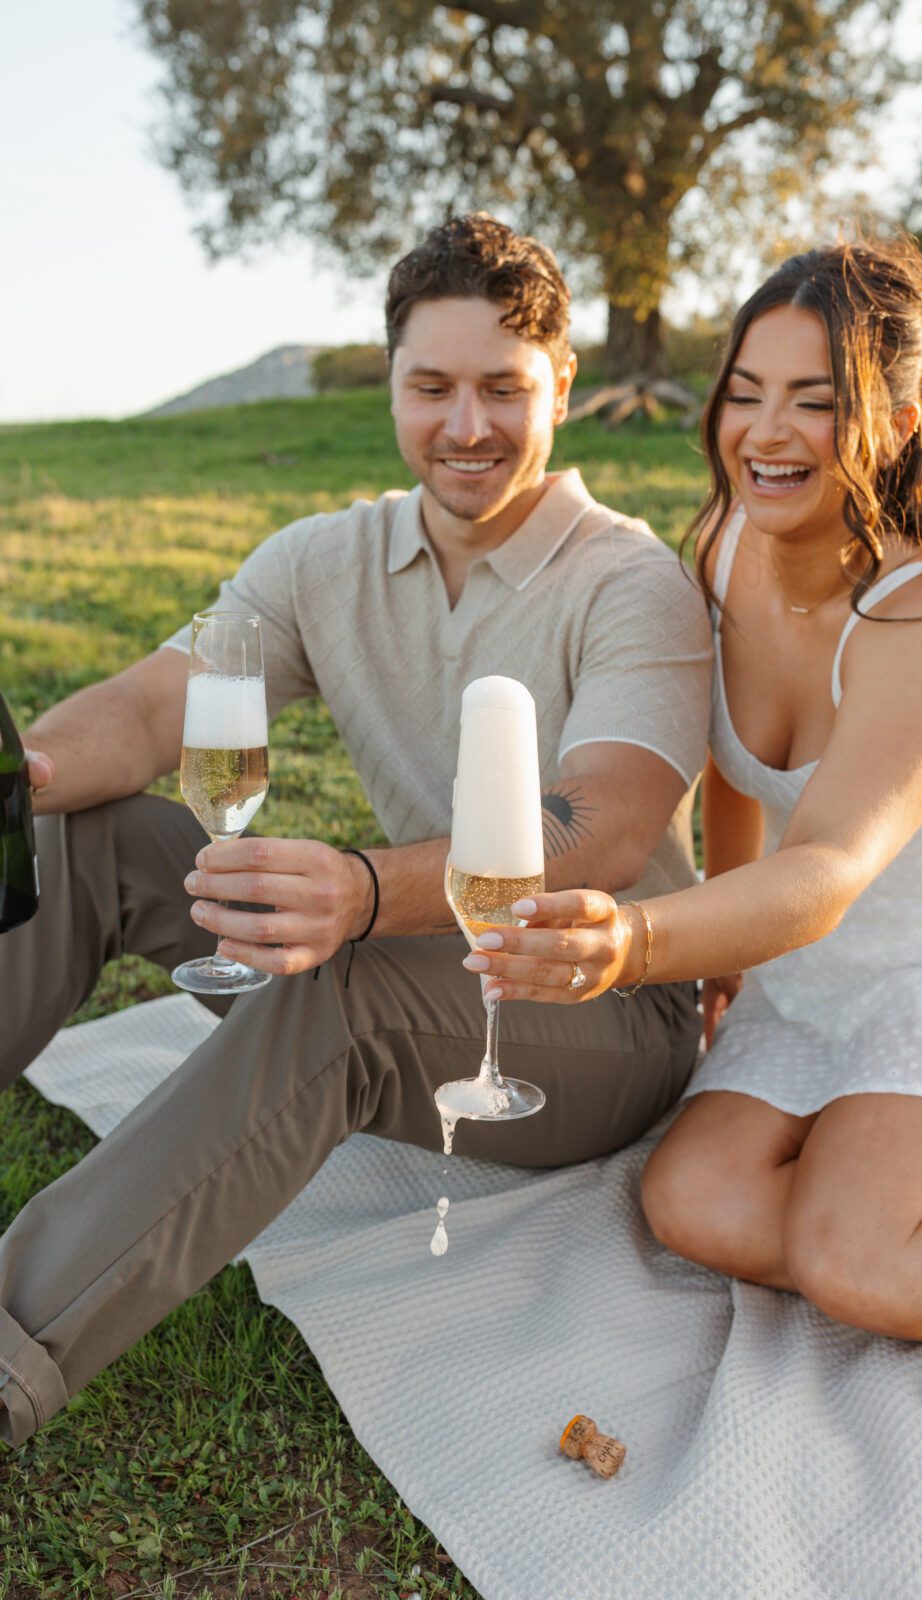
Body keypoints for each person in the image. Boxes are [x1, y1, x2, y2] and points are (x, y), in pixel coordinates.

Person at [0, 214, 711, 1446]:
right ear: (390, 382)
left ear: (562, 388)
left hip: (594, 1008)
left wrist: (365, 892)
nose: (466, 426)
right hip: (409, 945)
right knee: (91, 829)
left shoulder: (626, 581)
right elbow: (150, 711)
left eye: (502, 388)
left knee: (346, 994)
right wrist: (29, 767)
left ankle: (16, 1336)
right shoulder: (325, 560)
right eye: (431, 386)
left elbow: (600, 825)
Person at [467, 232, 922, 1351]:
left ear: (894, 421)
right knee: (692, 1203)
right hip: (817, 975)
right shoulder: (725, 547)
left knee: (849, 1251)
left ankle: (920, 1213)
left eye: (813, 401)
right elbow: (732, 785)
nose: (765, 432)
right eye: (744, 395)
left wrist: (636, 940)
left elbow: (828, 863)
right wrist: (728, 952)